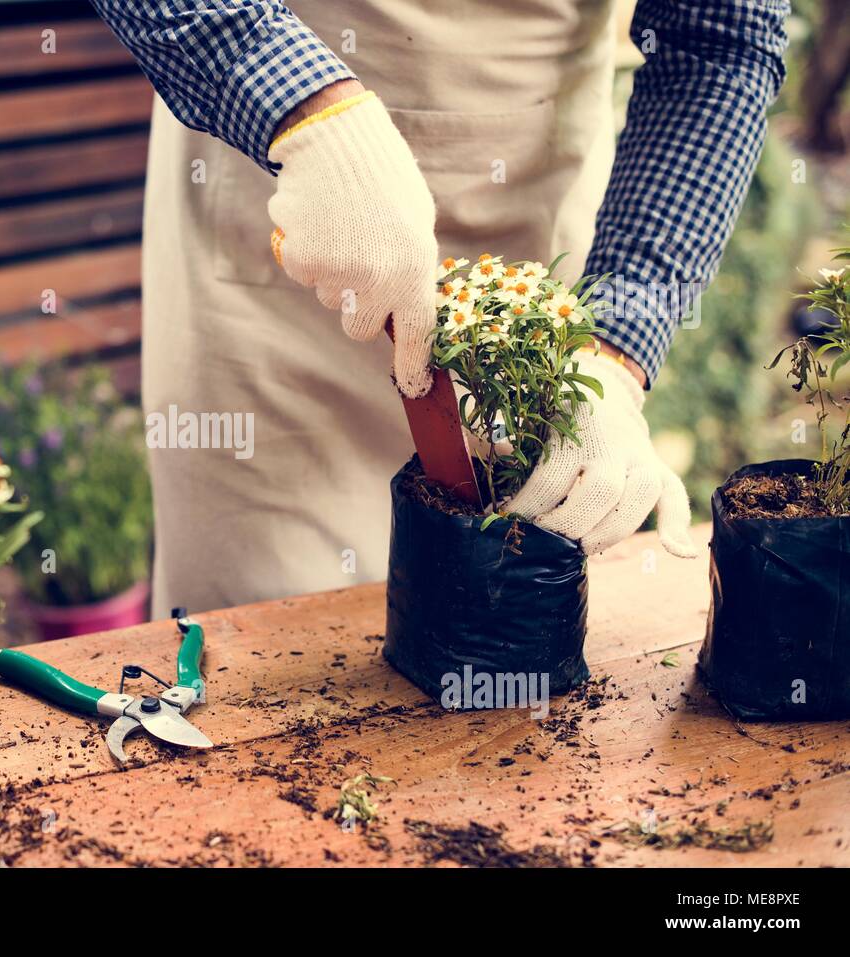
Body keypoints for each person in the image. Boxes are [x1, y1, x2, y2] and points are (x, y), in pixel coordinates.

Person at [88, 0, 790, 615]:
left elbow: (718, 38)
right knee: (262, 666)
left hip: (530, 259)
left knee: (502, 649)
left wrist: (612, 350)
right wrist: (305, 112)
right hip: (275, 226)